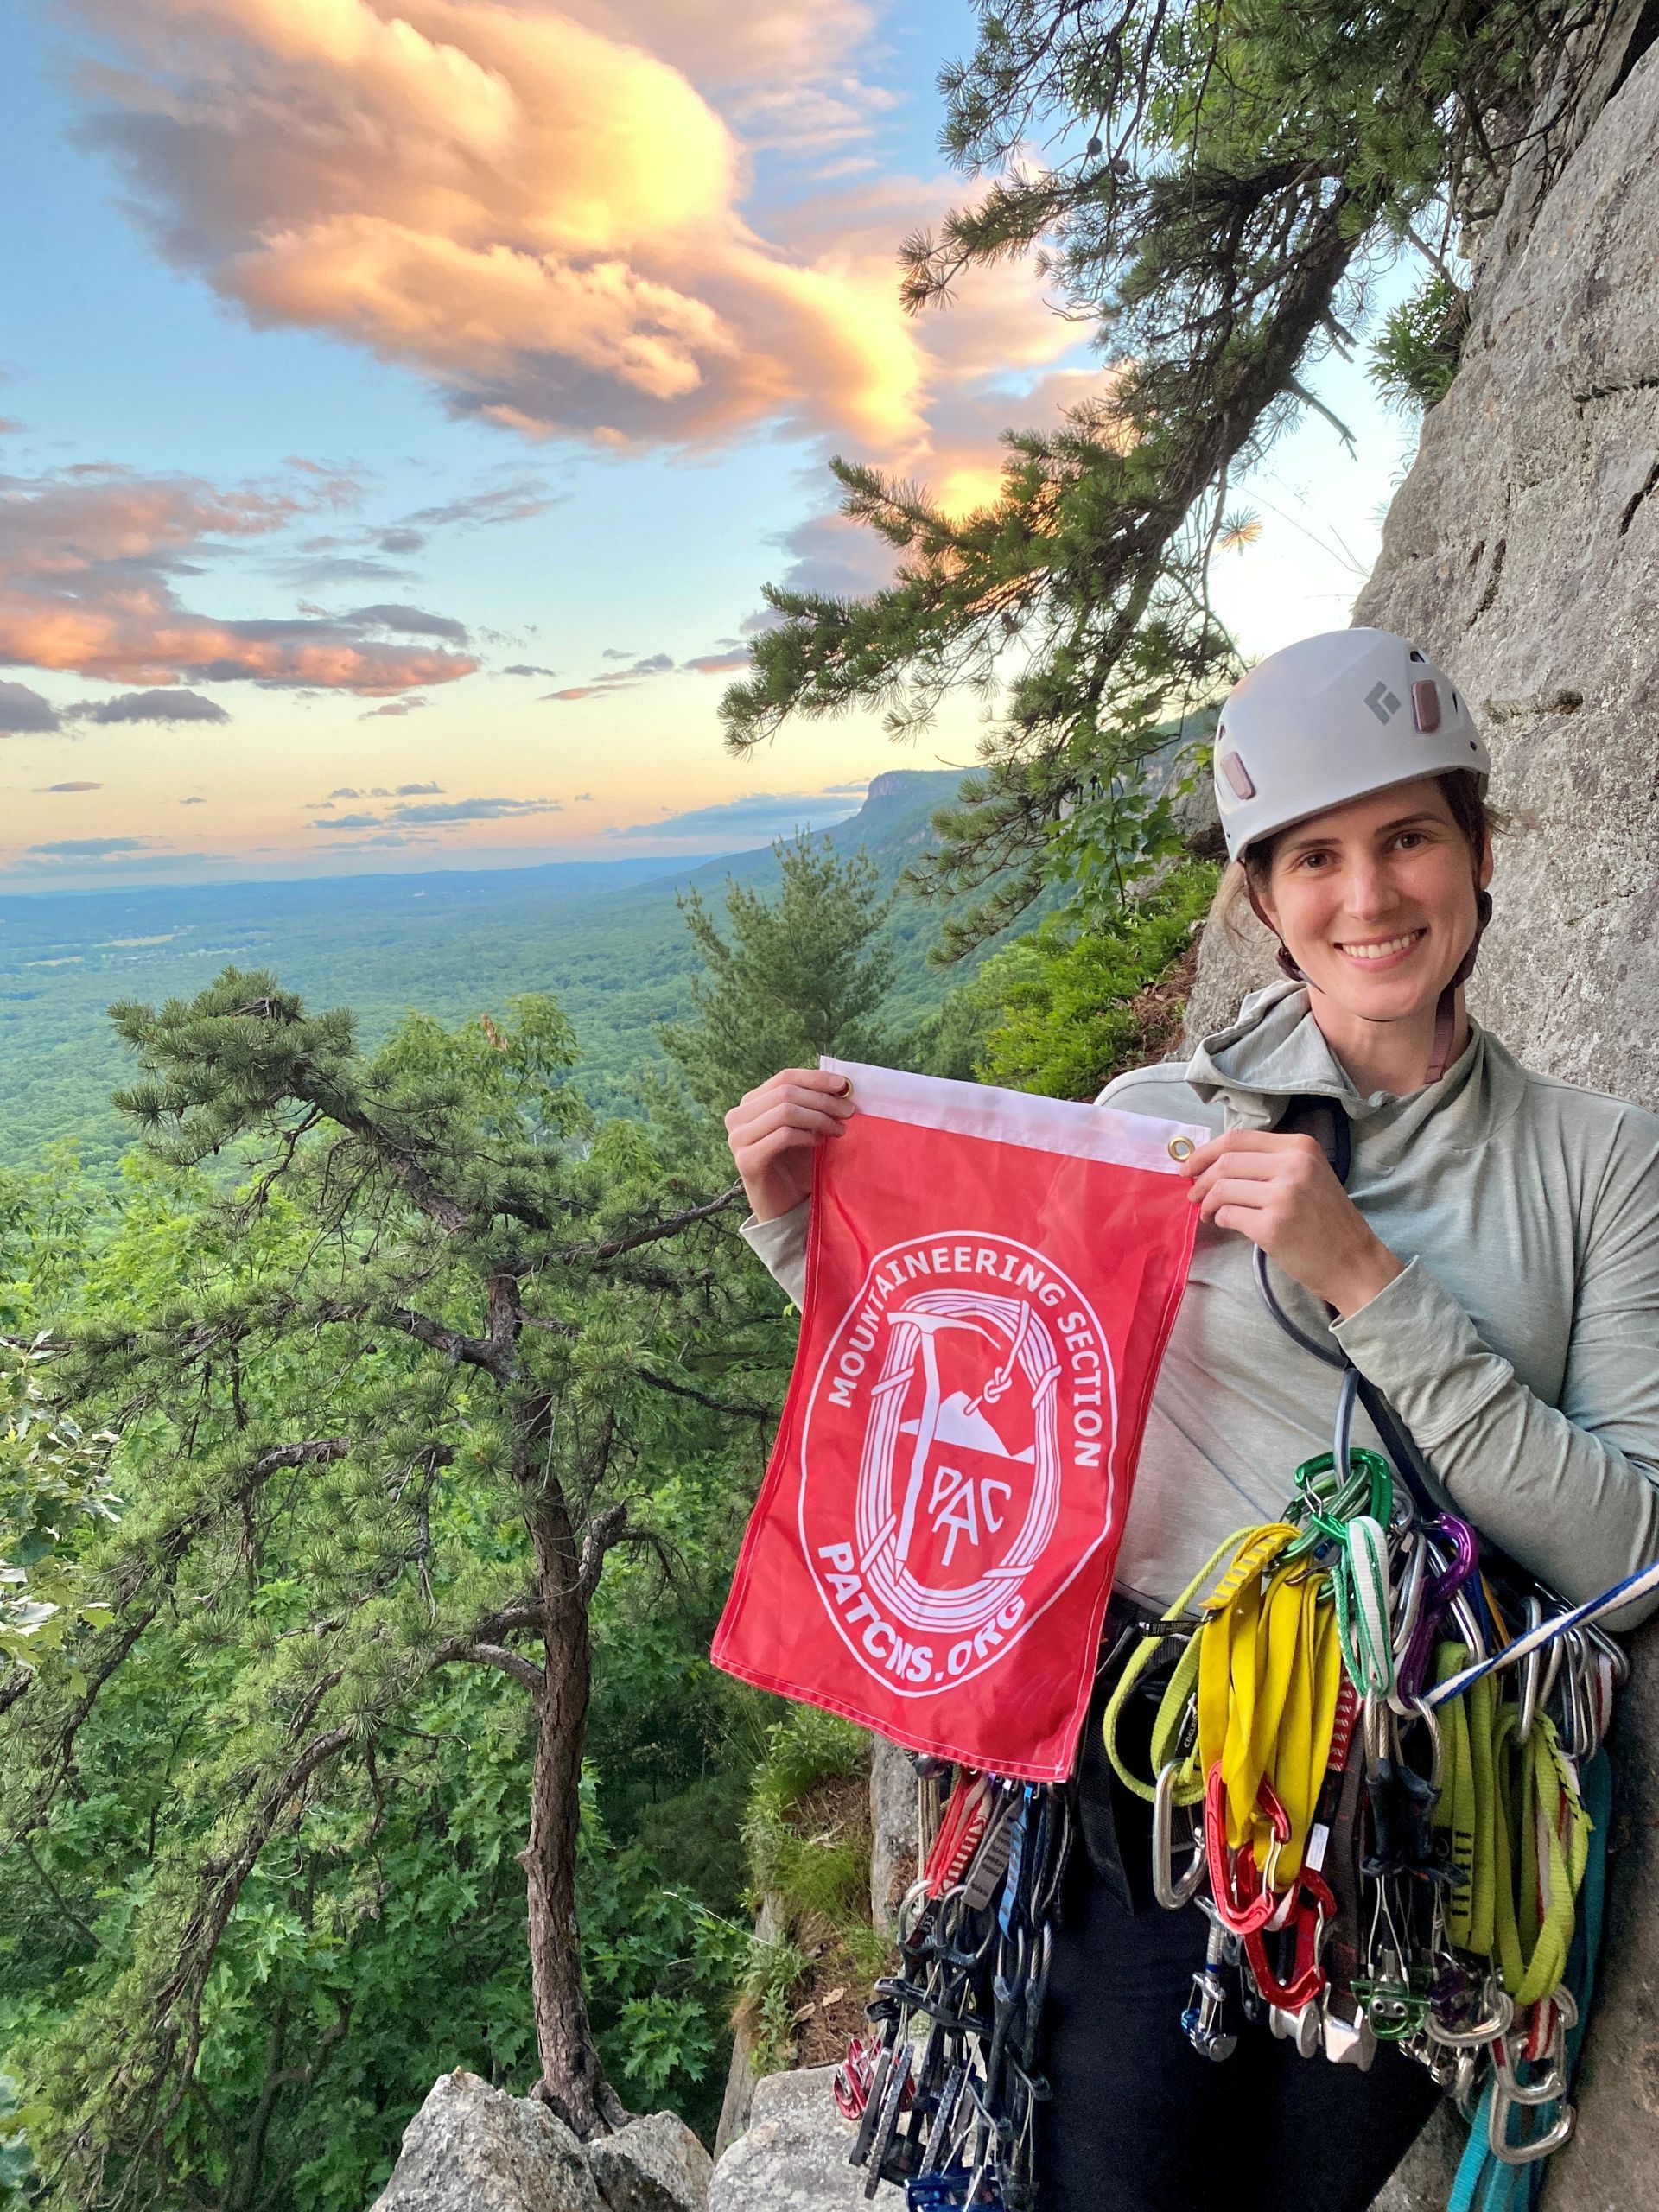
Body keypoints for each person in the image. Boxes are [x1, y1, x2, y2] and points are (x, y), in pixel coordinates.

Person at [721, 627, 1659, 2211]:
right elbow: (980, 1395)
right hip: (1138, 1807)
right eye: (1315, 858)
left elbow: (1629, 1550)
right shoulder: (1155, 1128)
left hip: (1411, 1829)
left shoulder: (1597, 1164)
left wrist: (1368, 1279)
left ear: (1482, 852)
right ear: (1264, 898)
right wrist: (798, 1228)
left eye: (1411, 836)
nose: (1370, 898)